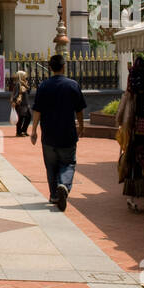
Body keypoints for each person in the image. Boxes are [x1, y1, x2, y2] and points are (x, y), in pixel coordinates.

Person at [30, 53, 85, 210]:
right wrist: (81, 126)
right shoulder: (72, 85)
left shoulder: (43, 86)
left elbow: (37, 111)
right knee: (68, 163)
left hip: (48, 134)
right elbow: (79, 110)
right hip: (67, 133)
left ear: (50, 68)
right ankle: (64, 185)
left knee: (51, 165)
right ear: (63, 66)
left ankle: (54, 194)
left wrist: (33, 130)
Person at [10, 70, 32, 137]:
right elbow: (16, 94)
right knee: (21, 118)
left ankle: (24, 130)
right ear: (21, 76)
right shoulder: (18, 84)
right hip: (21, 104)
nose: (26, 76)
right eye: (24, 75)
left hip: (26, 103)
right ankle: (18, 132)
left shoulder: (24, 83)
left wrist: (25, 84)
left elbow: (28, 92)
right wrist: (14, 101)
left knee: (29, 117)